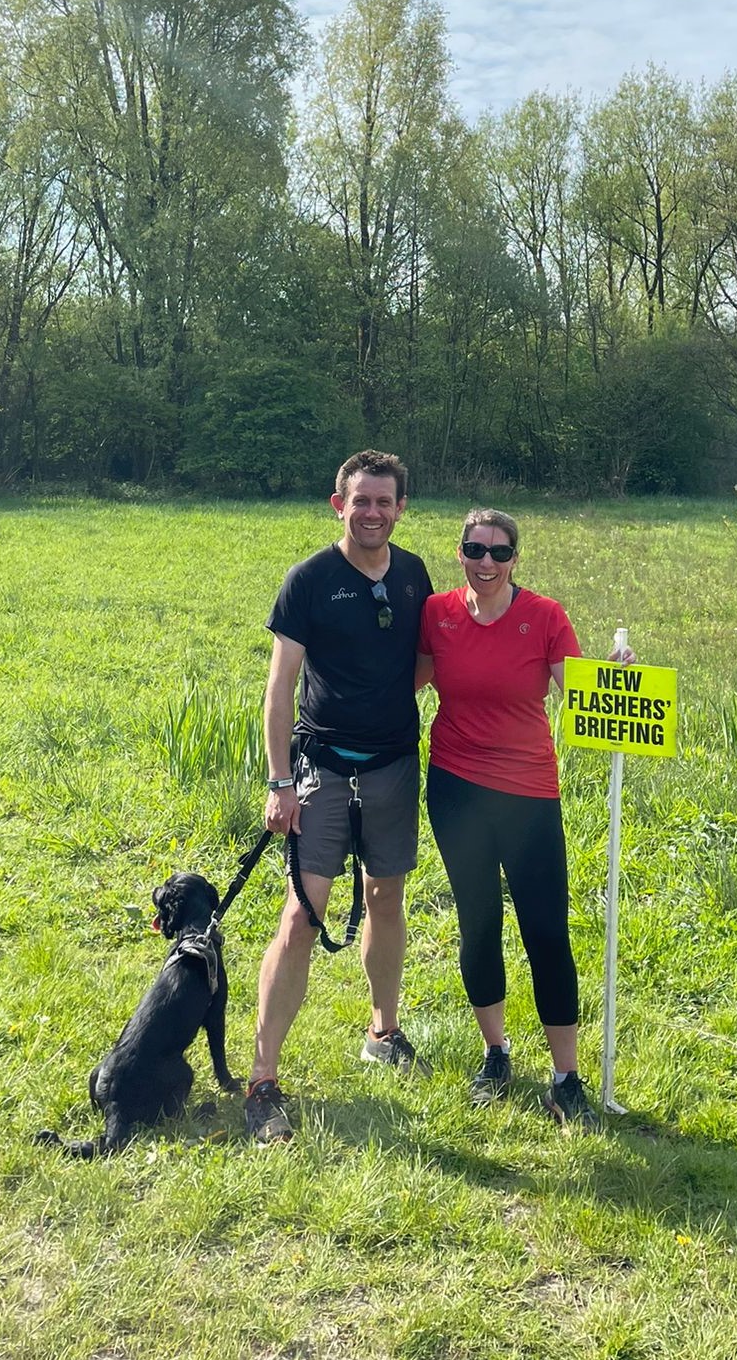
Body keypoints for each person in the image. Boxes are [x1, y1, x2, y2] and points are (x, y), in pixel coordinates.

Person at [244, 450, 432, 1145]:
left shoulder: (413, 573)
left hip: (392, 768)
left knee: (386, 899)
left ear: (401, 509)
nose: (373, 513)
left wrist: (380, 705)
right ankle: (262, 1078)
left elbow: (426, 658)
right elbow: (279, 688)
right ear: (338, 505)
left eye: (385, 502)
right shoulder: (310, 581)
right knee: (302, 913)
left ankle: (383, 1033)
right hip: (319, 772)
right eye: (361, 502)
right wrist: (280, 781)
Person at [416, 508, 602, 1129]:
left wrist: (617, 675)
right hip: (456, 790)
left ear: (516, 558)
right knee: (478, 924)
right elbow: (405, 684)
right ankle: (495, 1053)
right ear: (460, 553)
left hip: (528, 795)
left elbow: (579, 689)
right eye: (475, 550)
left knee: (547, 931)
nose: (486, 562)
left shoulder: (544, 617)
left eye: (499, 552)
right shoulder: (438, 614)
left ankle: (566, 1076)